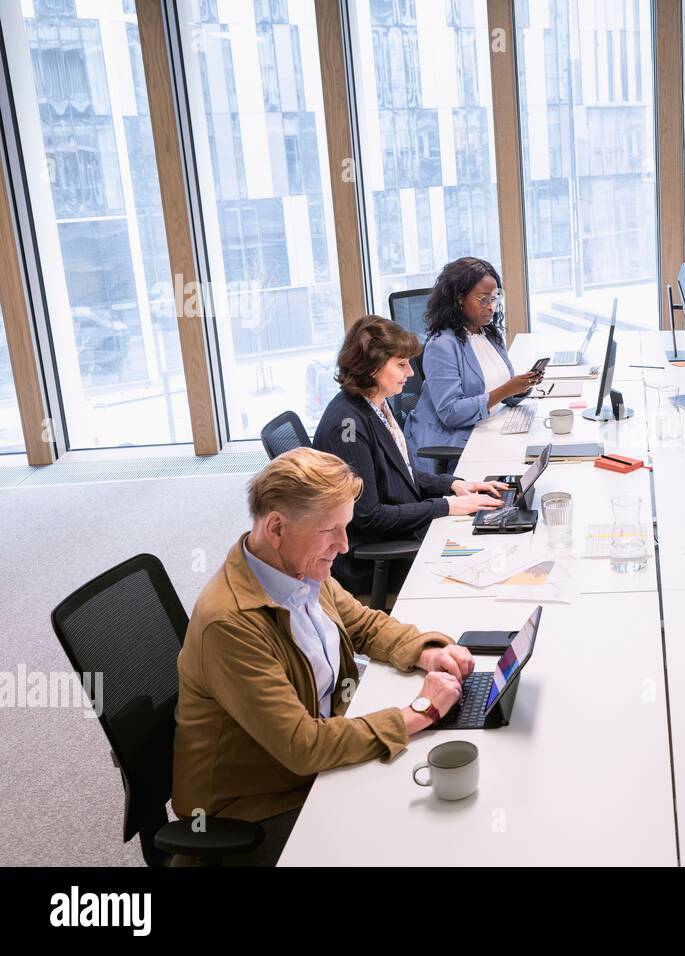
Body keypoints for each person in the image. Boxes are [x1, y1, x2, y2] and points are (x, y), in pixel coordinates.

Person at [172, 448, 473, 865]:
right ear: (276, 527)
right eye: (331, 530)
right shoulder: (230, 623)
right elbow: (302, 746)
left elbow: (365, 625)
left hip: (316, 753)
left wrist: (428, 650)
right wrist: (421, 710)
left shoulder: (297, 568)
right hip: (258, 803)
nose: (345, 545)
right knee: (419, 834)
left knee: (441, 806)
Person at [312, 314, 507, 595]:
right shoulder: (348, 426)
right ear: (372, 367)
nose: (411, 373)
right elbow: (369, 516)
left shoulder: (375, 405)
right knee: (486, 567)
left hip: (403, 533)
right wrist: (446, 506)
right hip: (376, 559)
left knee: (490, 540)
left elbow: (400, 474)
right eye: (401, 365)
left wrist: (453, 485)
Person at [403, 257, 543, 474]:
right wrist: (507, 389)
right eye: (483, 299)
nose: (491, 307)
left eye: (495, 298)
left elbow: (503, 393)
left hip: (491, 426)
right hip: (454, 442)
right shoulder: (442, 346)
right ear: (460, 299)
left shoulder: (489, 333)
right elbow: (451, 412)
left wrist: (522, 386)